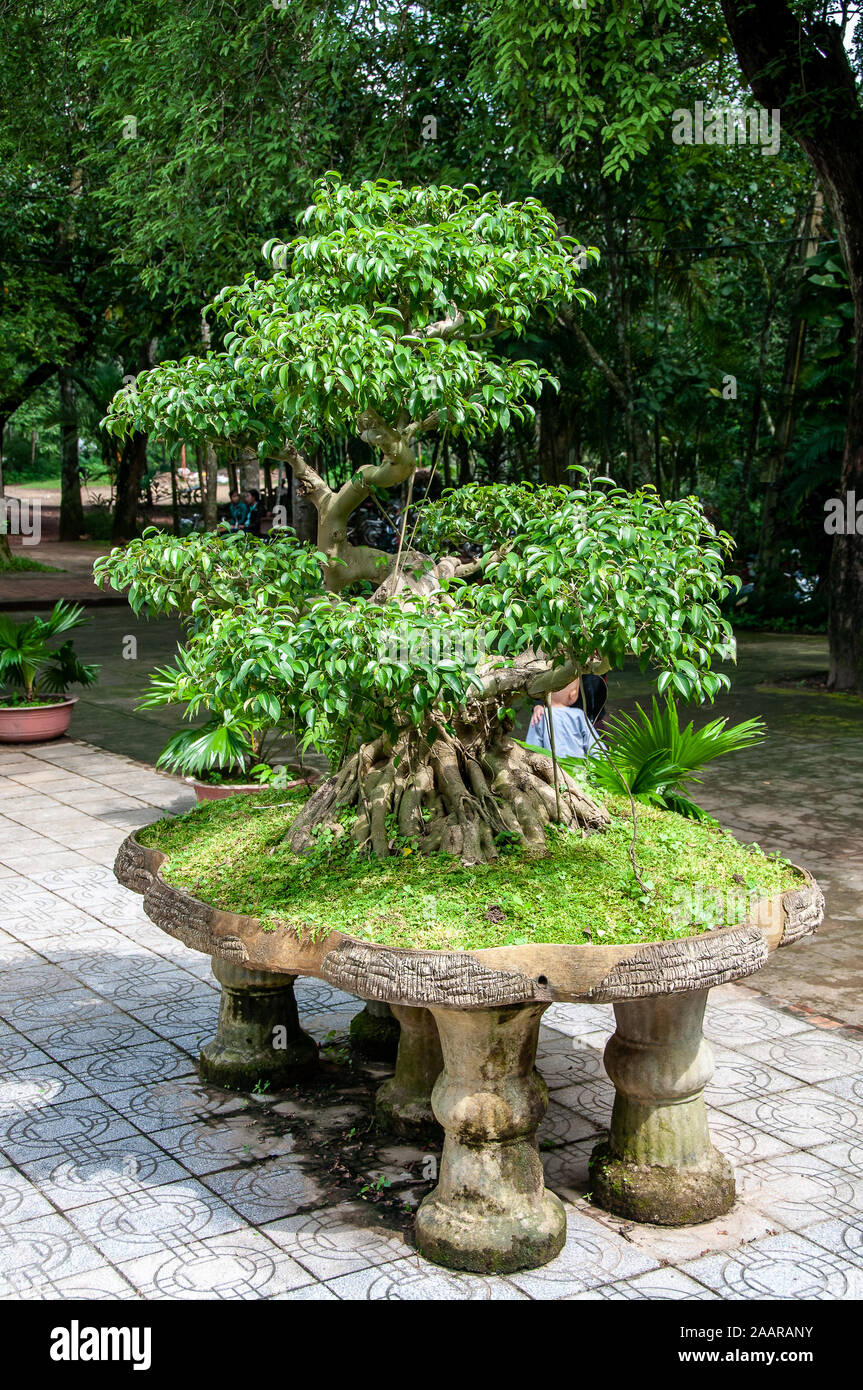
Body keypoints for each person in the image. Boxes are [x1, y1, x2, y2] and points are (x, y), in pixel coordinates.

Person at [526, 676, 604, 760]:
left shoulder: (540, 715)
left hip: (551, 768)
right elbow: (596, 749)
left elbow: (532, 749)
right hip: (578, 769)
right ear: (573, 694)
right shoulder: (578, 715)